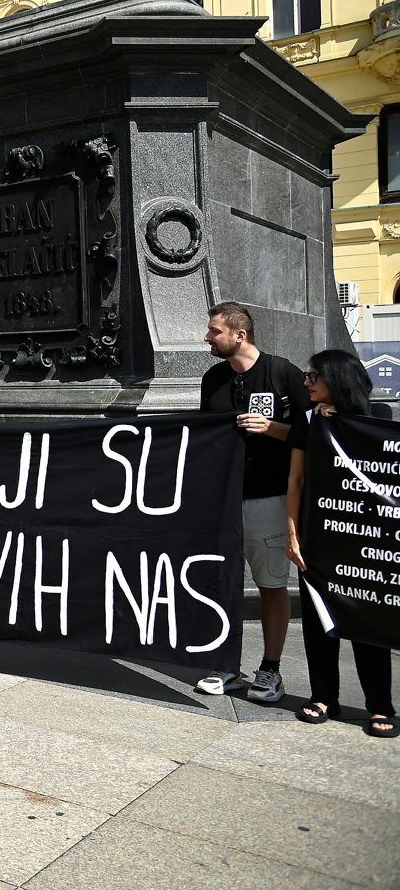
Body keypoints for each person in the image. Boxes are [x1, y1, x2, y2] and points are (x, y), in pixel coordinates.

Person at [196, 301, 309, 703]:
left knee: (271, 586)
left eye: (214, 331)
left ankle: (270, 670)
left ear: (239, 335)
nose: (207, 337)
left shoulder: (283, 373)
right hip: (223, 502)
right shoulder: (213, 379)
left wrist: (271, 427)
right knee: (221, 584)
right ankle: (226, 665)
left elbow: (312, 433)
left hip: (270, 499)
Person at [284, 350, 395, 738]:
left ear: (337, 378)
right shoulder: (307, 420)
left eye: (313, 375)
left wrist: (344, 422)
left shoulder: (379, 417)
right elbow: (295, 482)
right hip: (317, 536)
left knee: (368, 622)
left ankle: (381, 706)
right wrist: (293, 534)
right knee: (318, 623)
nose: (306, 382)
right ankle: (322, 697)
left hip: (364, 539)